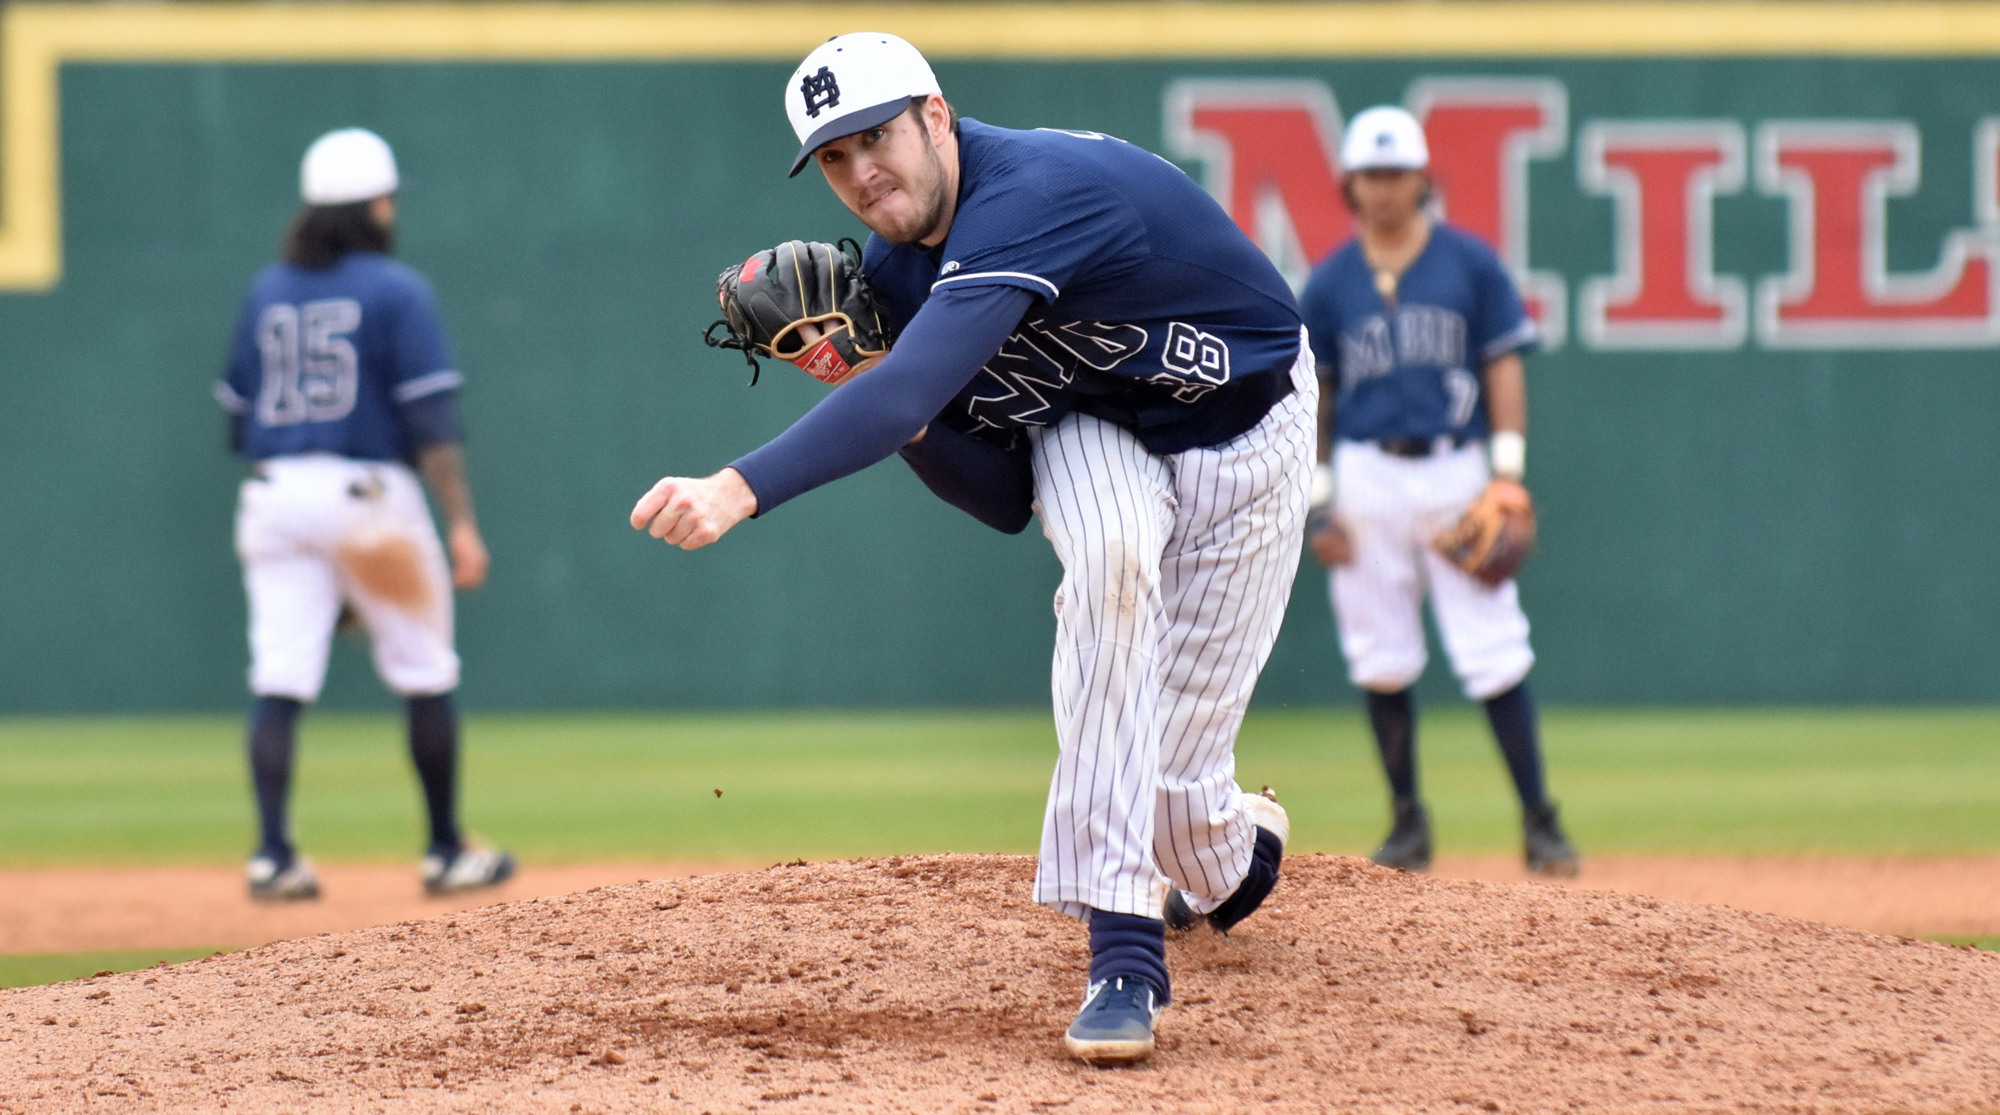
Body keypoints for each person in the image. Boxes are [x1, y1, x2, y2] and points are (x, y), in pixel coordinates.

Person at [629, 33, 1314, 1063]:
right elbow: (997, 493)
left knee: (1181, 815)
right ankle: (1122, 956)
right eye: (833, 157)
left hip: (1243, 432)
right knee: (1108, 566)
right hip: (1097, 427)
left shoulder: (1035, 192)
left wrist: (741, 484)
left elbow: (907, 392)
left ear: (935, 117)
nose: (861, 173)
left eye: (876, 138)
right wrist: (871, 380)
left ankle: (1233, 848)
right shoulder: (894, 279)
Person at [213, 128, 515, 902]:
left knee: (279, 679)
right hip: (369, 499)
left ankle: (273, 854)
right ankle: (446, 848)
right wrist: (463, 524)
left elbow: (237, 421)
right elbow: (433, 426)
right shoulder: (395, 288)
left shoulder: (267, 291)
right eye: (387, 196)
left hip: (274, 494)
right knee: (424, 671)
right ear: (372, 206)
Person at [1297, 106, 1580, 878]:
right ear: (1349, 184)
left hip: (1458, 469)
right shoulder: (1330, 283)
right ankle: (1407, 821)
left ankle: (1540, 819)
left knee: (1493, 646)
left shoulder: (1471, 263)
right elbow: (1315, 394)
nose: (1385, 188)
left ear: (1424, 179)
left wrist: (1509, 474)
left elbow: (1504, 366)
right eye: (1371, 174)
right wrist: (1319, 498)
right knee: (1380, 654)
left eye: (1397, 173)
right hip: (1367, 473)